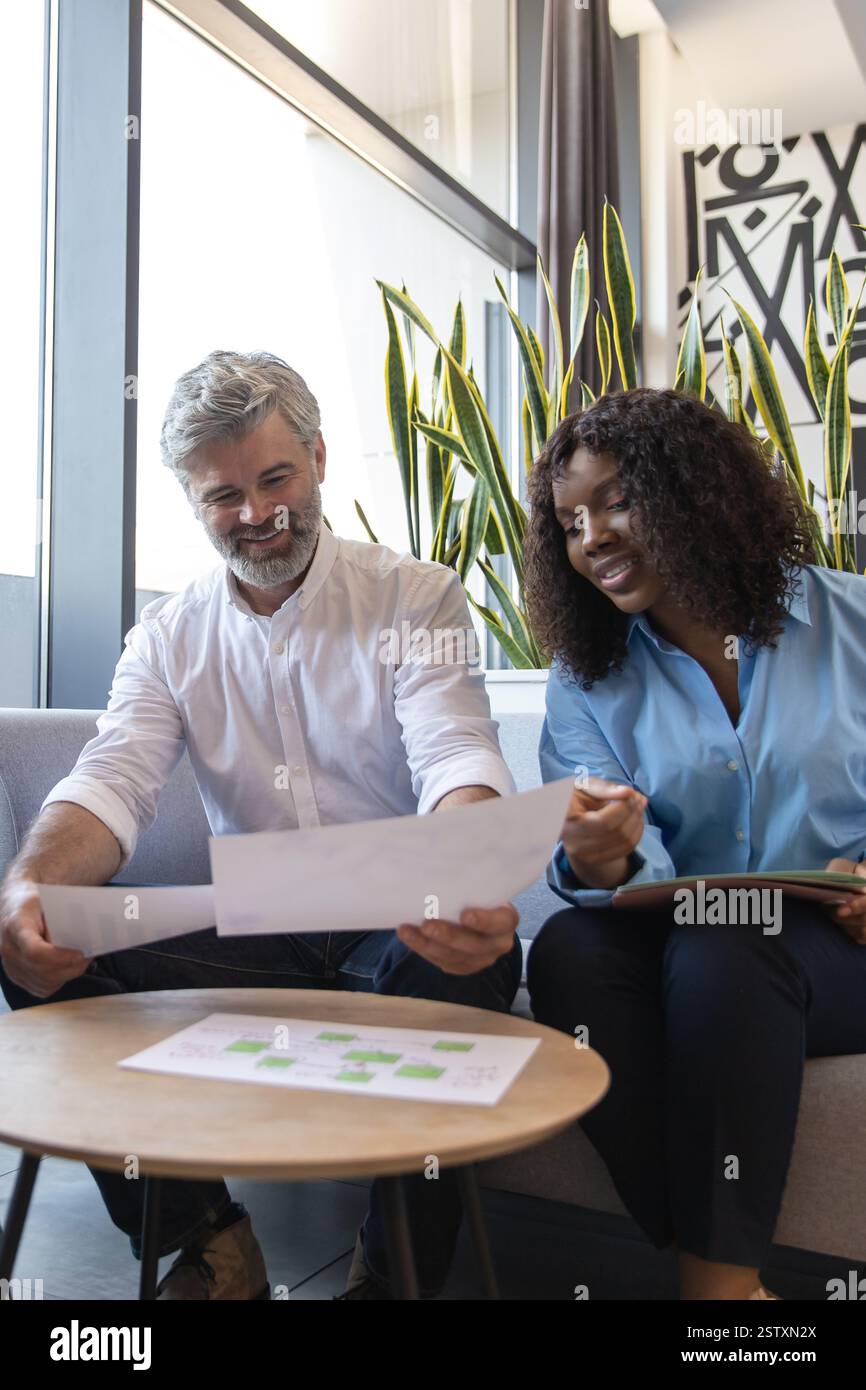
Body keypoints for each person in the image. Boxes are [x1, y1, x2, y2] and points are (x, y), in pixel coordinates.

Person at [0, 349, 522, 1301]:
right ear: (192, 502)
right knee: (31, 936)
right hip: (260, 928)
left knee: (457, 961)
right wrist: (30, 884)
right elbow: (112, 779)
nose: (255, 514)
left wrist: (474, 867)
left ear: (319, 458)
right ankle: (209, 1240)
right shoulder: (167, 635)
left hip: (403, 916)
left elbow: (453, 752)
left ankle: (395, 1274)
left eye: (276, 477)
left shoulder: (415, 594)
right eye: (222, 496)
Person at [523, 387, 866, 1301]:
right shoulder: (587, 679)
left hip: (843, 947)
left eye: (618, 500)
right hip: (696, 946)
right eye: (569, 521)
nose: (592, 535)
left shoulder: (856, 624)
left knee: (728, 942)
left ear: (698, 493)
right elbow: (604, 866)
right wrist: (602, 852)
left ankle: (717, 1302)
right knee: (569, 952)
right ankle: (726, 1274)